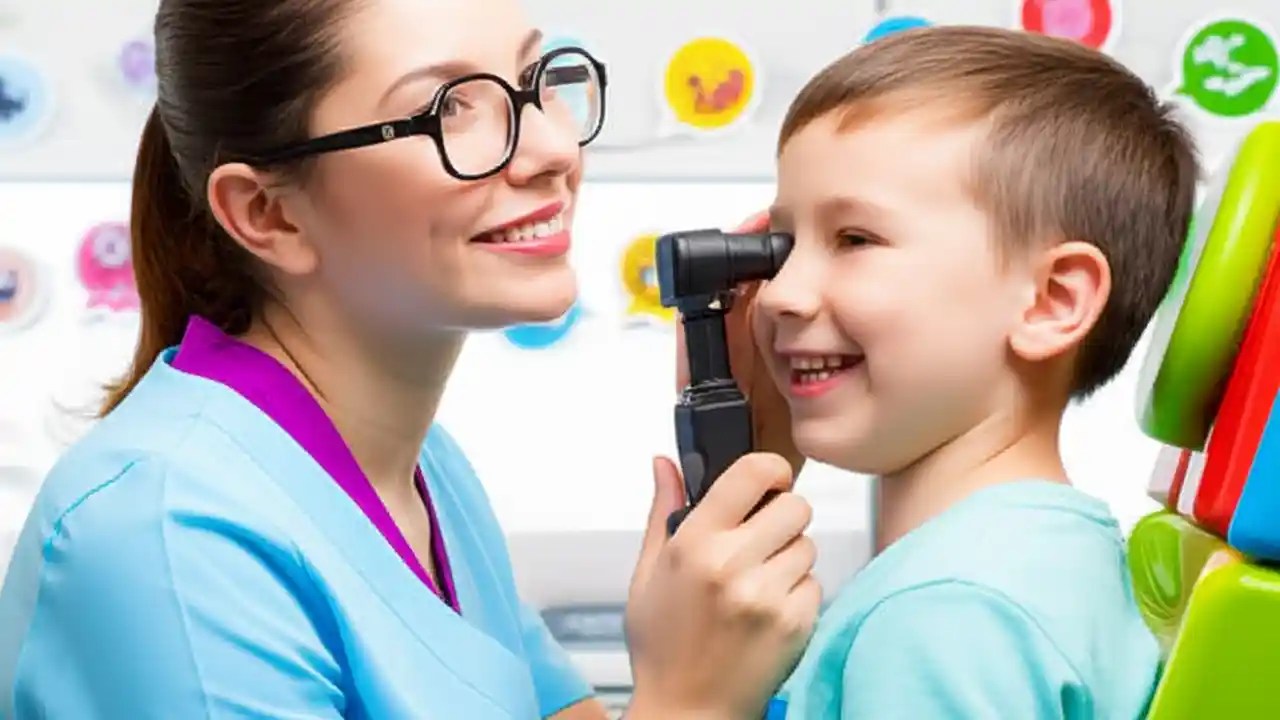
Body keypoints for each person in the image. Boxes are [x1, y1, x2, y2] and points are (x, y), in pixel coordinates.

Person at [0, 0, 822, 717]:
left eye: (536, 80)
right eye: (449, 109)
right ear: (267, 214)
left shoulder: (420, 468)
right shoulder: (166, 538)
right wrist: (691, 702)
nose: (550, 149)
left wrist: (743, 459)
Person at [698, 26, 1192, 719]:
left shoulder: (945, 613)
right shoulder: (1038, 560)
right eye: (782, 244)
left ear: (1052, 301)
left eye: (854, 239)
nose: (779, 292)